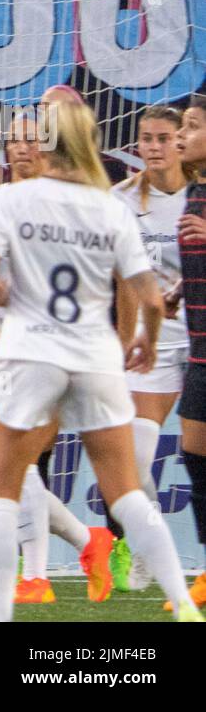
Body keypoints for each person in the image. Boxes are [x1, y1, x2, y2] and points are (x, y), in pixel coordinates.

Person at [0, 99, 201, 622]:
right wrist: (143, 339)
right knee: (127, 494)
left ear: (44, 145)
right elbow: (147, 294)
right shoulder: (111, 206)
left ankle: (1, 617)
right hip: (94, 353)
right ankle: (182, 603)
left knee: (1, 493)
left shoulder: (15, 200)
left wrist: (15, 296)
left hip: (31, 353)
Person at [0, 113, 109, 605]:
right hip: (5, 349)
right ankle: (89, 542)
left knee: (18, 462)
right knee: (15, 465)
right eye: (13, 140)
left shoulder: (72, 202)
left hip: (56, 346)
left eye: (32, 139)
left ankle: (37, 577)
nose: (21, 148)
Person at [109, 105, 192, 593]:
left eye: (164, 137)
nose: (155, 147)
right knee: (135, 458)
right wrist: (124, 338)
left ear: (181, 142)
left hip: (198, 338)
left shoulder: (199, 197)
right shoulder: (121, 200)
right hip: (151, 343)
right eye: (146, 138)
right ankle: (146, 547)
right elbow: (121, 277)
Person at [168, 94, 206, 609]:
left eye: (193, 126)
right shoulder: (194, 192)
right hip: (199, 347)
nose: (181, 135)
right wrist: (177, 289)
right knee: (194, 452)